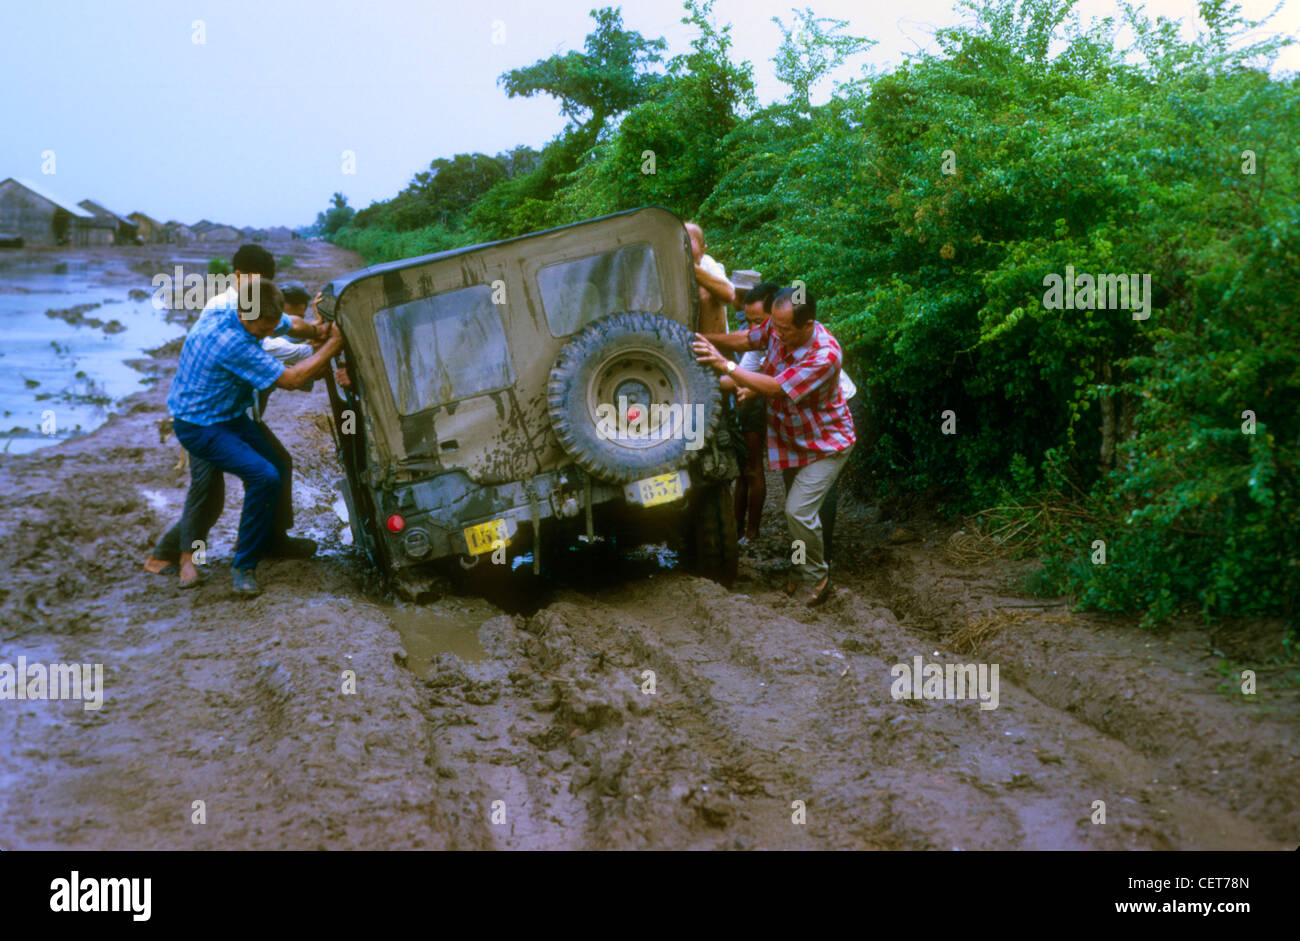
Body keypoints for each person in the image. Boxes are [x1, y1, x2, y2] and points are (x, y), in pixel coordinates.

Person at [144, 251, 326, 585]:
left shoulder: (256, 307)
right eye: (260, 331)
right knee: (220, 491)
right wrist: (332, 345)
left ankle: (270, 539)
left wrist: (317, 330)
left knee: (277, 464)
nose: (264, 335)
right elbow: (292, 379)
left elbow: (293, 325)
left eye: (270, 329)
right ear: (245, 312)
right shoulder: (231, 339)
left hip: (229, 413)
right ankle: (236, 565)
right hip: (199, 422)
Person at [693, 286, 855, 605]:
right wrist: (701, 339)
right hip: (794, 441)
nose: (777, 334)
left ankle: (818, 580)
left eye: (785, 329)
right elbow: (748, 339)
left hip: (825, 445)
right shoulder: (778, 325)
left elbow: (775, 387)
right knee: (798, 515)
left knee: (798, 511)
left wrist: (724, 365)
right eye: (774, 326)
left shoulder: (825, 355)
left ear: (808, 325)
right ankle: (799, 573)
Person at [722, 281, 781, 544]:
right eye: (748, 321)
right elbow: (738, 375)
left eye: (758, 321)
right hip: (749, 397)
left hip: (758, 399)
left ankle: (751, 532)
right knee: (743, 468)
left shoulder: (786, 333)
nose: (752, 328)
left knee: (753, 468)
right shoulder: (757, 339)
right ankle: (737, 529)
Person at [685, 222, 734, 336]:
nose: (684, 247)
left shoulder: (707, 263)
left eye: (687, 241)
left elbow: (729, 295)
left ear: (703, 250)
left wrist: (691, 268)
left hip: (710, 337)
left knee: (706, 291)